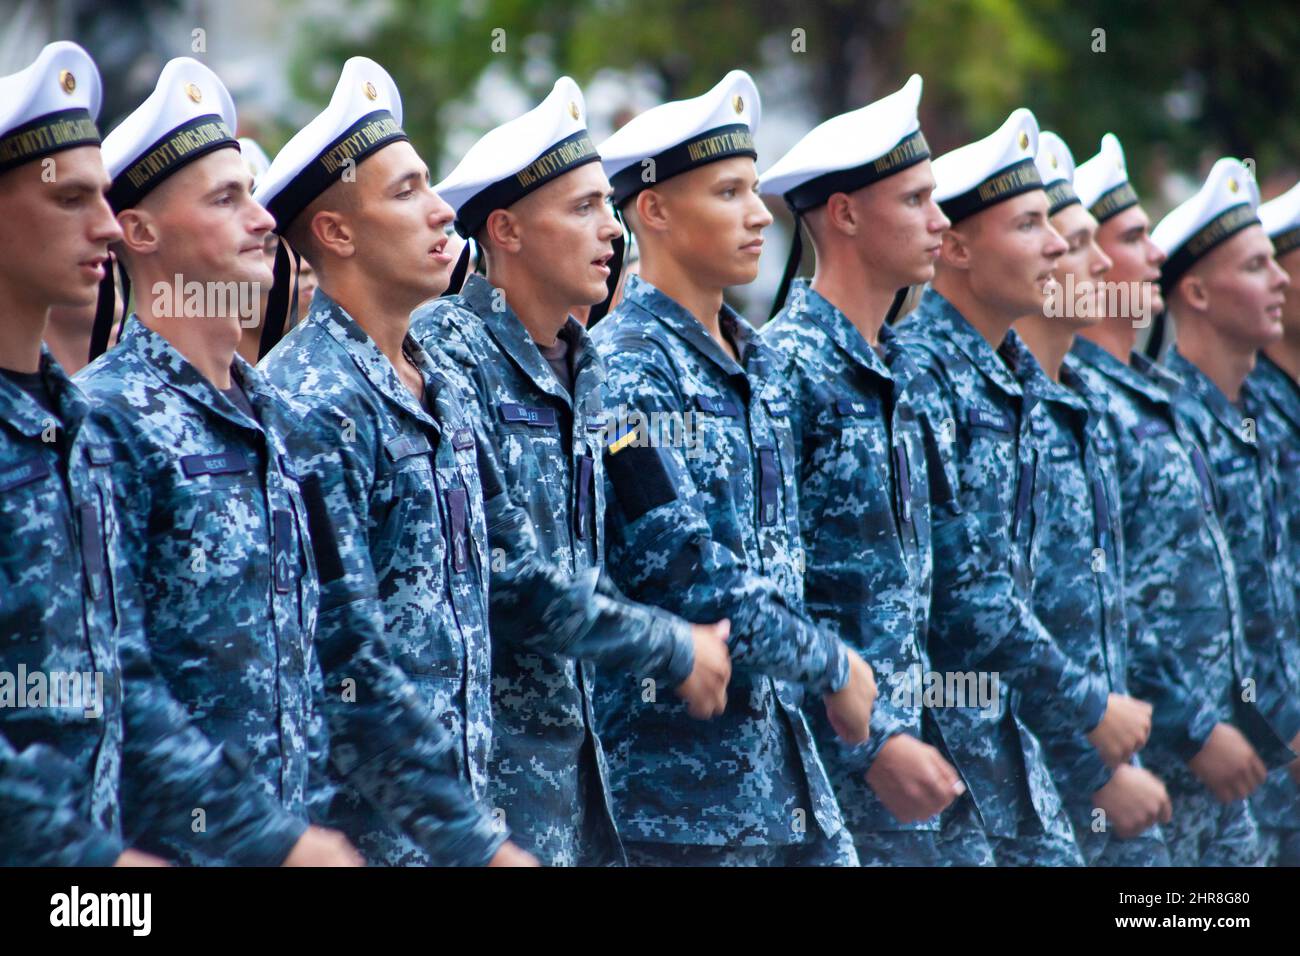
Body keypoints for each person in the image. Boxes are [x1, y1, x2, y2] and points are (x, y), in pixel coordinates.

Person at [0, 41, 349, 868]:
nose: (104, 225)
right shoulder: (115, 418)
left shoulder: (71, 424)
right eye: (71, 199)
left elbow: (121, 688)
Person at [410, 76, 732, 865]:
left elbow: (644, 537)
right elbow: (514, 582)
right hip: (486, 797)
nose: (611, 231)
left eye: (608, 208)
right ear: (506, 231)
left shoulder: (586, 366)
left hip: (580, 787)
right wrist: (673, 646)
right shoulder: (450, 358)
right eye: (581, 209)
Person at [590, 69, 878, 866]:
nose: (759, 216)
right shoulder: (624, 370)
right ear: (654, 210)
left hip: (787, 782)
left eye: (756, 191)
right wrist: (831, 664)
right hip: (683, 807)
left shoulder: (756, 363)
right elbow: (684, 571)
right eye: (727, 193)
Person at [897, 108, 1161, 865]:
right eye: (1034, 227)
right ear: (956, 246)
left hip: (1031, 763)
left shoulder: (1019, 386)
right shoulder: (922, 375)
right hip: (957, 770)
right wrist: (1090, 735)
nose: (1058, 250)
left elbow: (1094, 601)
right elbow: (968, 598)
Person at [758, 75, 988, 866]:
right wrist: (869, 745)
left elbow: (943, 586)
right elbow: (771, 596)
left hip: (914, 768)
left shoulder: (902, 371)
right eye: (917, 200)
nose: (940, 221)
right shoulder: (786, 370)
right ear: (847, 214)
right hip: (829, 780)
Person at [1070, 133, 1280, 866]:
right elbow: (1110, 593)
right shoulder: (1083, 404)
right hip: (1151, 758)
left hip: (1221, 760)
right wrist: (1195, 728)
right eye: (1130, 239)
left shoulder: (1157, 400)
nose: (1152, 254)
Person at [1010, 131, 1171, 864]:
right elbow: (984, 619)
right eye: (1080, 242)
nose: (1101, 262)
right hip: (1038, 781)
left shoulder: (1077, 402)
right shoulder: (995, 404)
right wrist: (1095, 769)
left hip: (1111, 761)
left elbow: (1123, 607)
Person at [1154, 157, 1300, 865]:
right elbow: (1160, 611)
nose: (1277, 280)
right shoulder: (1167, 423)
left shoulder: (1257, 419)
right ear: (1198, 292)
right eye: (1255, 267)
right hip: (1205, 766)